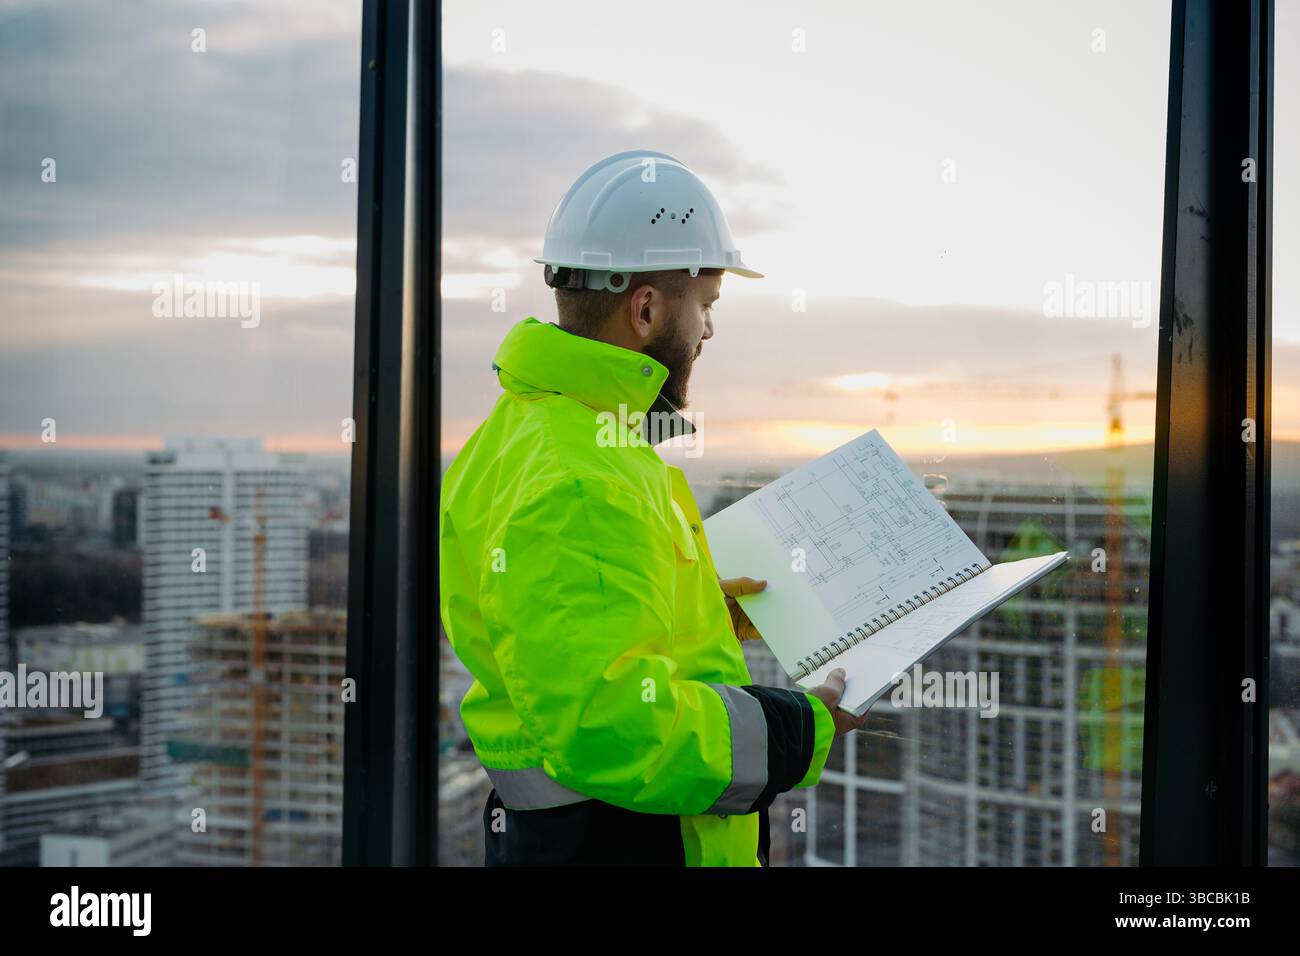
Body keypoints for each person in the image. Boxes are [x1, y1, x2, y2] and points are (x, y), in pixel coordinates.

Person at [439, 150, 869, 866]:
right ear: (646, 309)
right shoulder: (581, 477)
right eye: (706, 305)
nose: (707, 332)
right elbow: (618, 728)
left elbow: (571, 635)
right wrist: (806, 724)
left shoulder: (536, 433)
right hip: (625, 847)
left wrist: (693, 607)